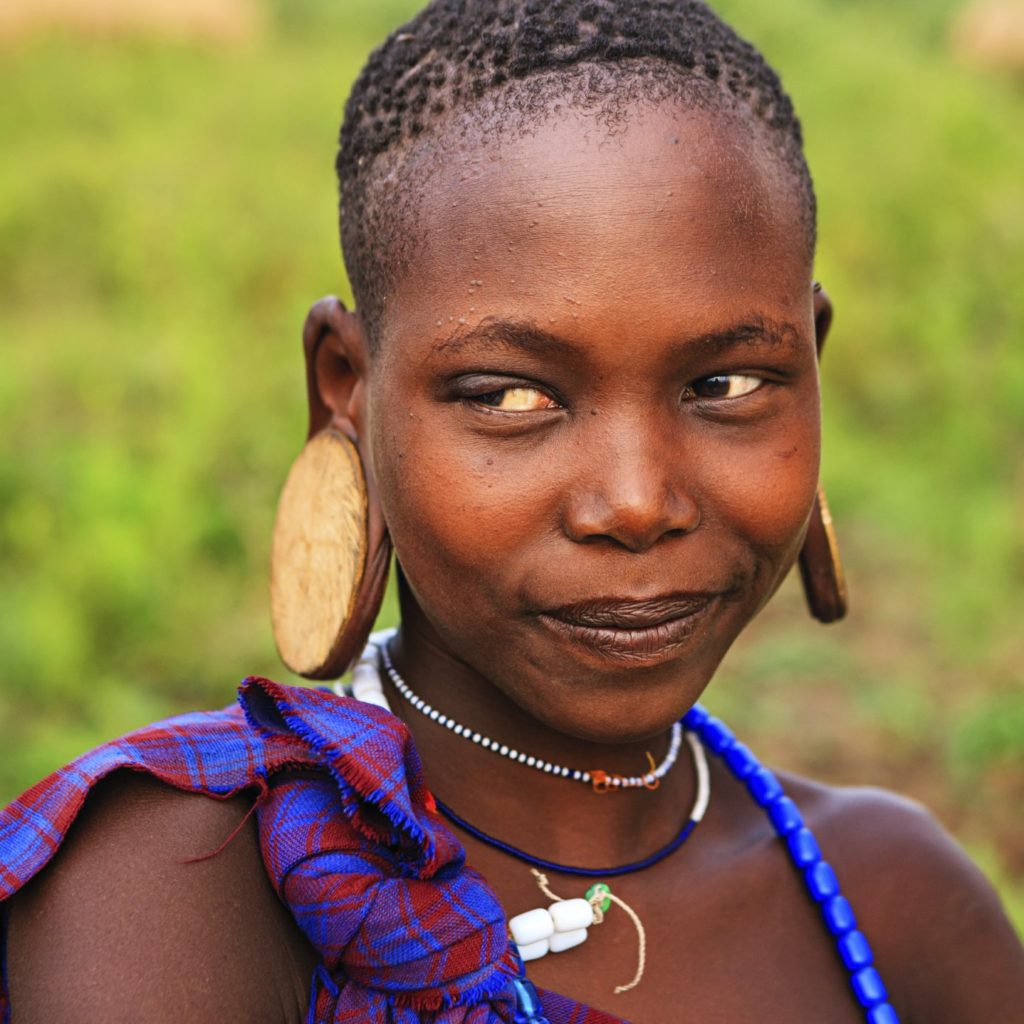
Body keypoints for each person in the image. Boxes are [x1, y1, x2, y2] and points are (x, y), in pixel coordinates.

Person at [2, 1, 1023, 1021]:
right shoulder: (187, 886)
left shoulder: (893, 905)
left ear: (813, 363)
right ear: (345, 389)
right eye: (509, 395)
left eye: (726, 385)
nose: (635, 502)